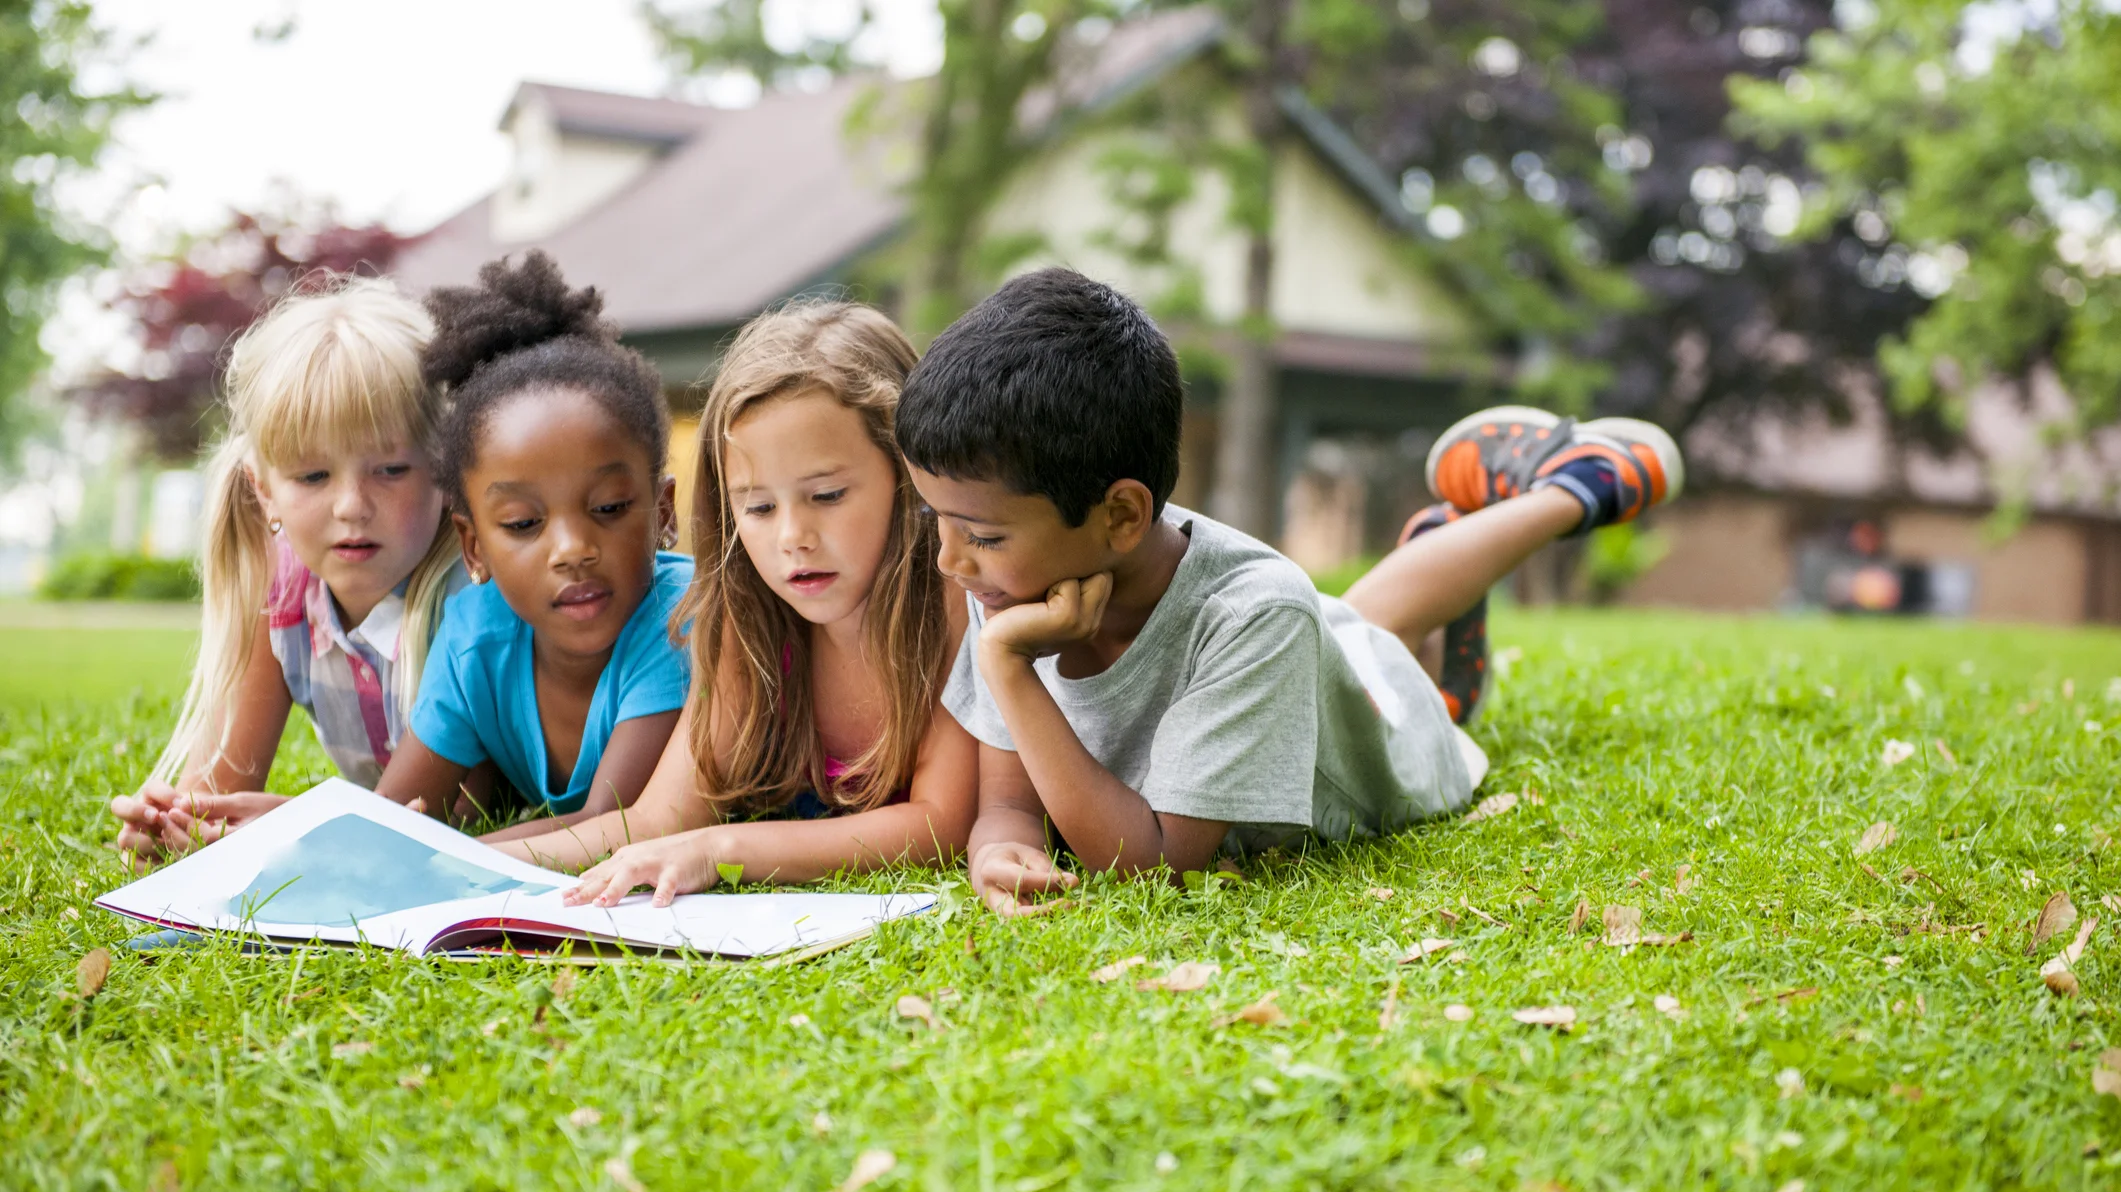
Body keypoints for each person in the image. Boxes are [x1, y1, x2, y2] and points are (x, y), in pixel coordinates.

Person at [896, 268, 1683, 915]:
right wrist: (1003, 848)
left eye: (980, 535)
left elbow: (1158, 867)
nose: (949, 561)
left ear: (1122, 516)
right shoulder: (1009, 576)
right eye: (939, 522)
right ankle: (1454, 536)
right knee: (1360, 624)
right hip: (1308, 641)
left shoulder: (1252, 612)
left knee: (1379, 653)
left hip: (1388, 733)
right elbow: (1007, 805)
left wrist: (1009, 670)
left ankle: (1579, 484)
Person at [492, 301, 977, 898]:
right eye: (760, 507)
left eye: (827, 495)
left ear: (910, 478)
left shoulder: (958, 600)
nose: (793, 537)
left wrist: (720, 850)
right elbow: (658, 820)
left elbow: (940, 824)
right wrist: (454, 861)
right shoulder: (752, 623)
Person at [109, 276, 463, 868]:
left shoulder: (471, 594)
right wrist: (173, 823)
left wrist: (301, 824)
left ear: (445, 470)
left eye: (391, 469)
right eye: (313, 476)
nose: (351, 506)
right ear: (264, 489)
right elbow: (217, 790)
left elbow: (458, 812)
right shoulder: (283, 596)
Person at [376, 252, 688, 838]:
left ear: (663, 513)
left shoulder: (681, 618)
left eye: (609, 509)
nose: (572, 549)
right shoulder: (474, 635)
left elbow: (612, 826)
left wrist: (441, 859)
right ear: (473, 547)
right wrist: (292, 830)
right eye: (523, 523)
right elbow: (392, 821)